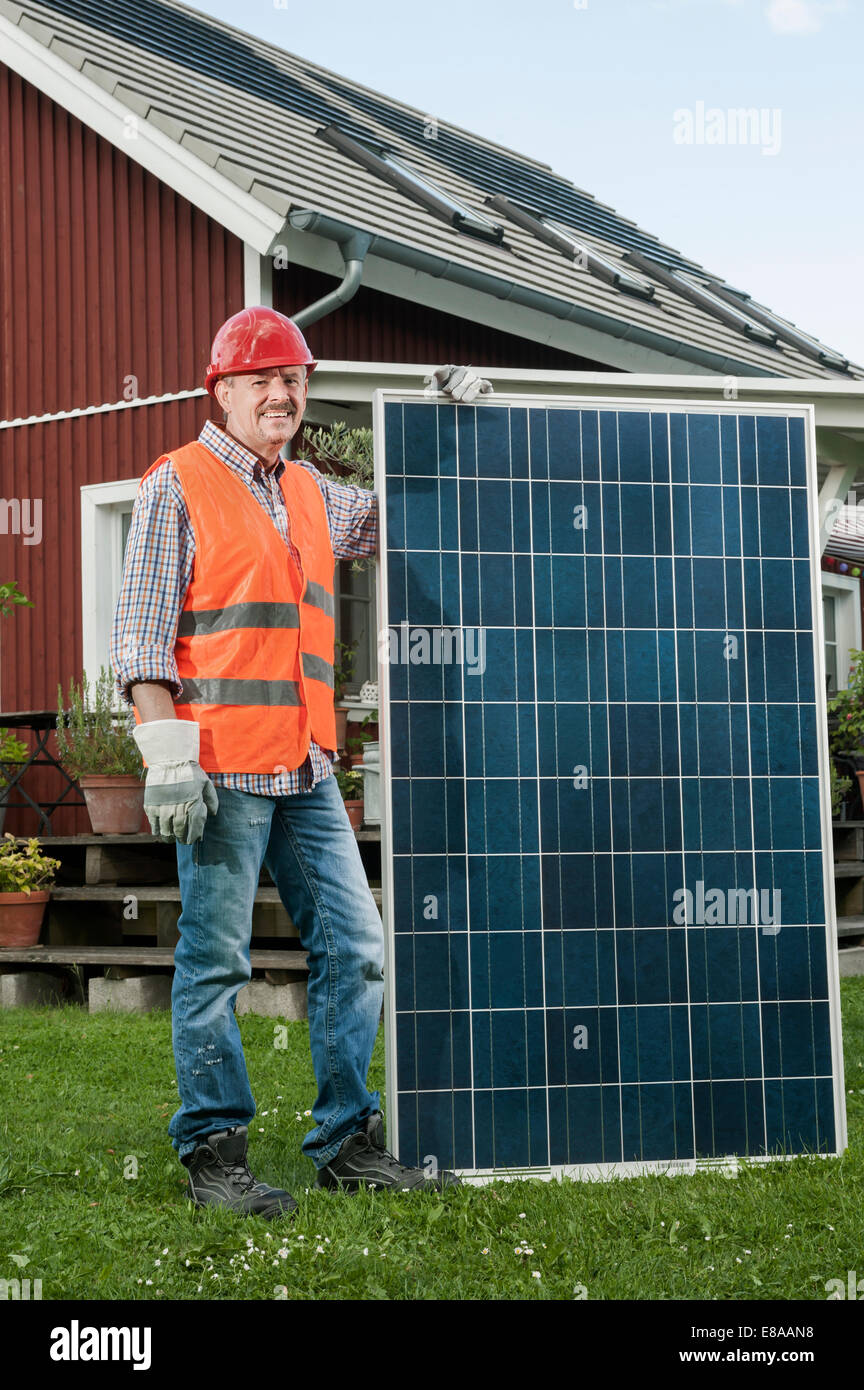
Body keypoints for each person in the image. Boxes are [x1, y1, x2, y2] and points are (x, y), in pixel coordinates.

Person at [110, 306, 491, 1218]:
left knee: (357, 948)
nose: (284, 393)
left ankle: (344, 1142)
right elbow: (139, 643)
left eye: (296, 379)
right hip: (218, 775)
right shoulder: (178, 484)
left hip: (309, 767)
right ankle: (215, 1153)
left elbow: (412, 497)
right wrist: (166, 756)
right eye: (264, 379)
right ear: (224, 391)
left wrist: (453, 419)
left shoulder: (318, 492)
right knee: (215, 963)